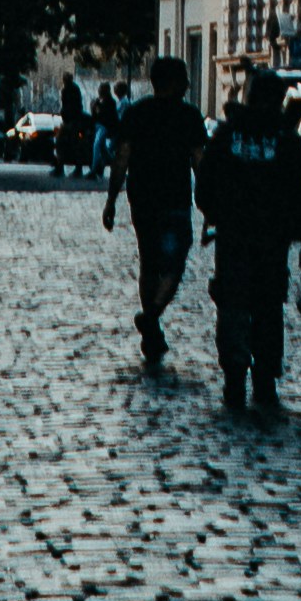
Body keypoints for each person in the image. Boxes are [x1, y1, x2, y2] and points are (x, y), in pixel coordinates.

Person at [197, 62, 301, 417]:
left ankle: (235, 378)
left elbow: (204, 184)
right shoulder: (286, 141)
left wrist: (218, 215)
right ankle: (265, 379)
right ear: (280, 100)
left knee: (233, 305)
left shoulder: (227, 135)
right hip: (272, 241)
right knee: (268, 308)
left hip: (234, 238)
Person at [107, 50, 199, 365]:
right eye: (184, 79)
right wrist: (210, 199)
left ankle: (152, 326)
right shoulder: (189, 116)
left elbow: (122, 157)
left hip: (141, 199)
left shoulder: (136, 113)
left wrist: (111, 200)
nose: (188, 84)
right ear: (172, 82)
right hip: (174, 199)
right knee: (174, 263)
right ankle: (152, 317)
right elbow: (200, 161)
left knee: (149, 263)